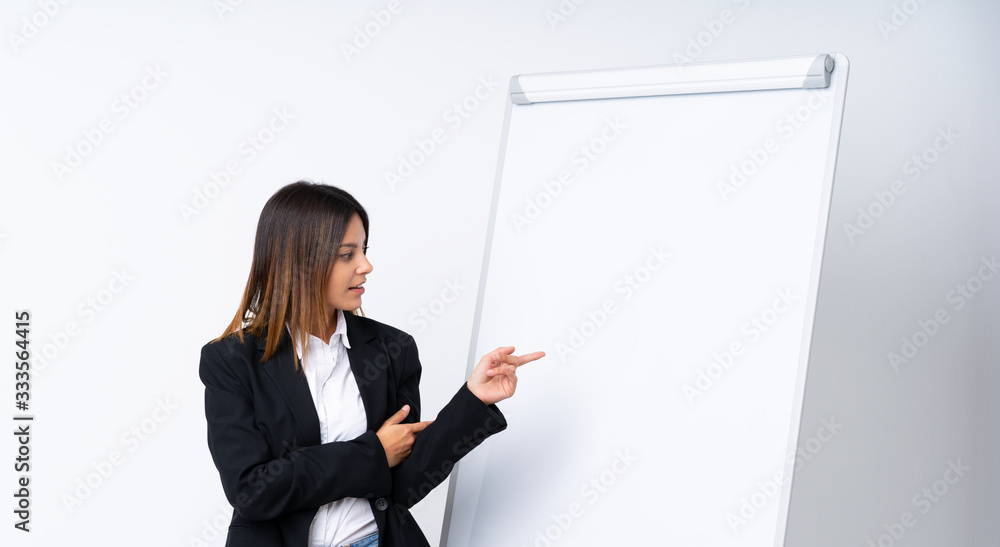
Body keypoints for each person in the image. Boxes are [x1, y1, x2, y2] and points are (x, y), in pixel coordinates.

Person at [199, 180, 544, 547]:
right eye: (347, 254)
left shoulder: (393, 349)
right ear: (299, 260)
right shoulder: (231, 359)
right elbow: (252, 491)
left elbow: (403, 484)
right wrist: (373, 452)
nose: (366, 265)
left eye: (363, 250)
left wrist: (473, 401)